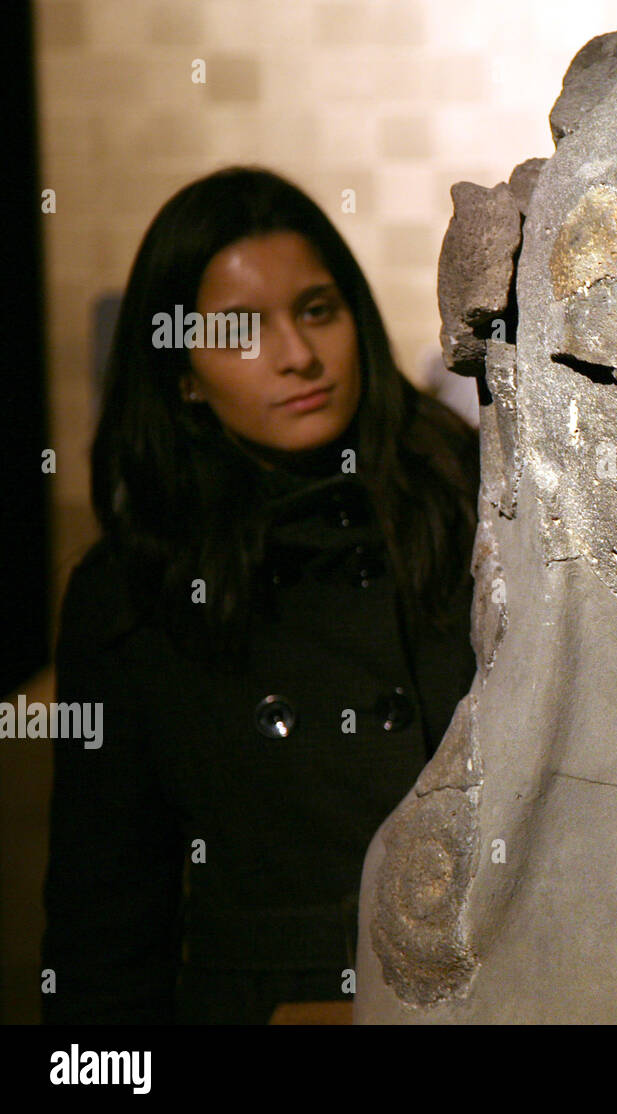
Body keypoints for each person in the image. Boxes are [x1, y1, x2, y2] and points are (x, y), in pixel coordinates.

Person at [42, 166, 478, 1024]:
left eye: (317, 311)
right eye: (243, 329)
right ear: (182, 374)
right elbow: (105, 928)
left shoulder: (467, 503)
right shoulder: (137, 589)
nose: (297, 356)